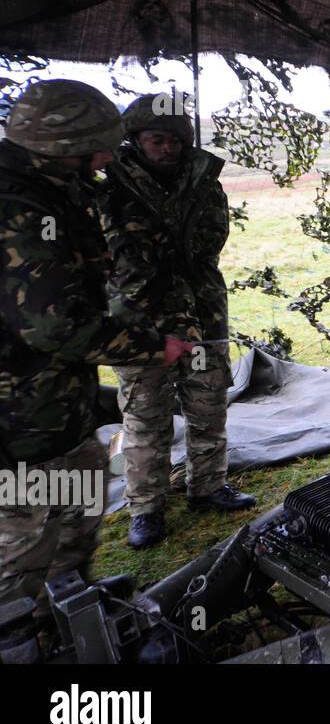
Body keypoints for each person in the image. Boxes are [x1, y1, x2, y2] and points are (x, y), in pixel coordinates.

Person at [0, 80, 191, 613]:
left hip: (57, 405)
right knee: (22, 546)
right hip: (19, 425)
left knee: (75, 511)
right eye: (100, 146)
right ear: (64, 146)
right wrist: (155, 347)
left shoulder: (53, 192)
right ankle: (25, 635)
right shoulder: (18, 210)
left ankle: (74, 599)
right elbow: (56, 326)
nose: (109, 157)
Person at [98, 93, 253, 549]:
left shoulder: (204, 181)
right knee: (145, 413)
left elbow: (213, 239)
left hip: (203, 311)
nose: (167, 149)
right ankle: (145, 507)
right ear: (136, 141)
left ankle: (208, 485)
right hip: (139, 321)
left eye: (174, 140)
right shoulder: (109, 189)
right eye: (156, 140)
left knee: (208, 404)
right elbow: (107, 256)